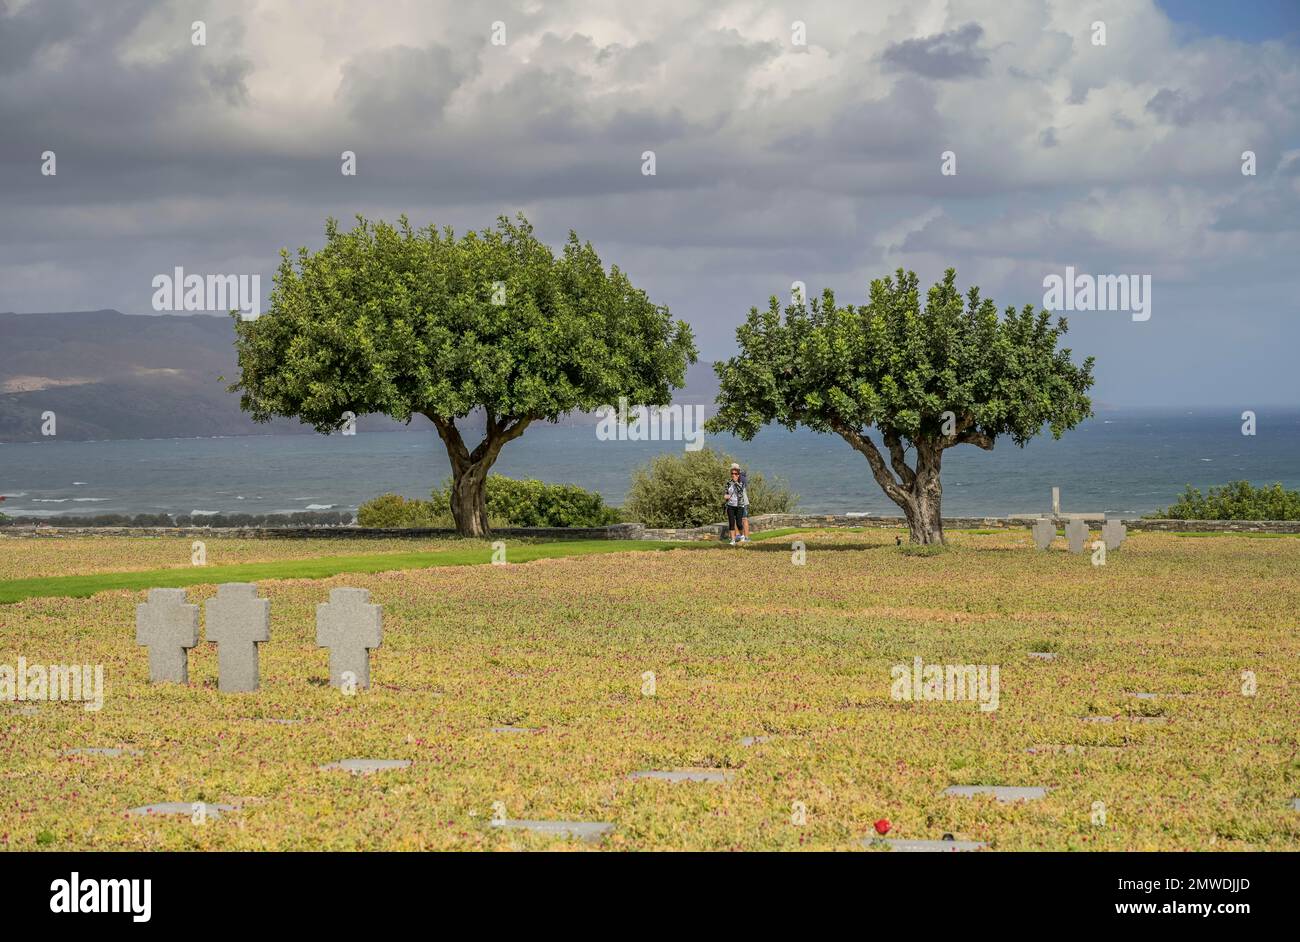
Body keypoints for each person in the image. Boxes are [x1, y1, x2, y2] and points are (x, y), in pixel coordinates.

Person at [723, 462, 751, 545]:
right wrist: (725, 496)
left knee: (739, 523)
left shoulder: (742, 482)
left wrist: (736, 482)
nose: (733, 475)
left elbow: (740, 491)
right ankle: (733, 540)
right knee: (731, 523)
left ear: (738, 474)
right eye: (732, 473)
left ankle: (742, 535)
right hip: (730, 506)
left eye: (735, 474)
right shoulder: (728, 483)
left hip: (739, 506)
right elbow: (726, 492)